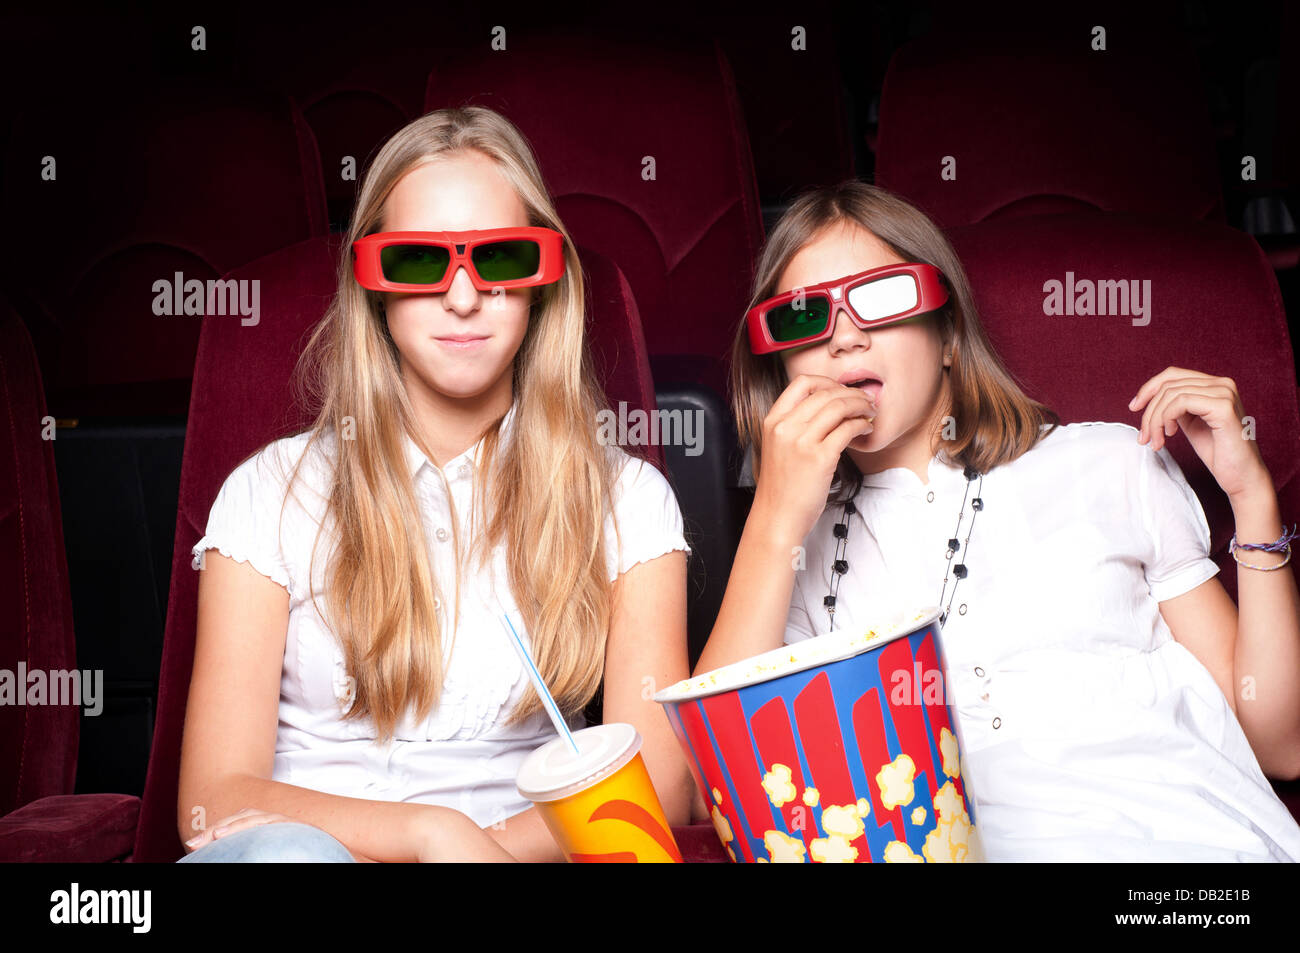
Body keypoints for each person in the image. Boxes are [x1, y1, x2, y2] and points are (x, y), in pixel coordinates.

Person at [697, 180, 1300, 861]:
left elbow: (1281, 745)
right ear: (782, 370)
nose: (844, 335)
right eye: (805, 317)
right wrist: (775, 520)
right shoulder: (796, 554)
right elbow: (716, 784)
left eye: (882, 296)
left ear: (949, 334)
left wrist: (1253, 499)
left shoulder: (1111, 462)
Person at [177, 107, 694, 863]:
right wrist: (430, 833)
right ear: (373, 283)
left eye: (502, 259)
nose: (462, 296)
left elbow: (654, 793)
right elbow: (209, 801)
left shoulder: (629, 500)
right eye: (420, 261)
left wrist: (484, 850)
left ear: (544, 278)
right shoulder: (268, 492)